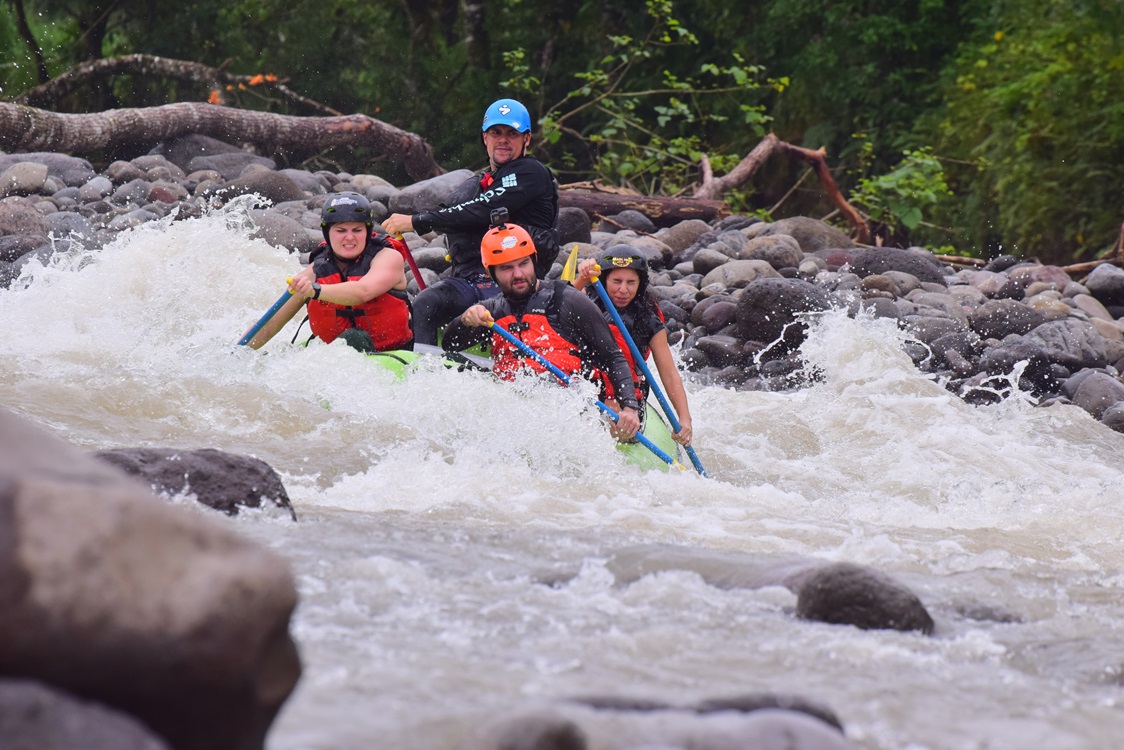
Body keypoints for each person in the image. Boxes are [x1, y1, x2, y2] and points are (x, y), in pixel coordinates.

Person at [381, 97, 561, 347]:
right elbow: (452, 211)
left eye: (512, 133)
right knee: (425, 302)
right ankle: (422, 370)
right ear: (485, 138)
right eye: (495, 132)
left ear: (527, 139)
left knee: (485, 311)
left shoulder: (531, 172)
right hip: (470, 282)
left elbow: (482, 210)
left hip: (515, 286)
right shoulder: (479, 183)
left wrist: (417, 221)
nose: (503, 140)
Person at [443, 215, 641, 440]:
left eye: (523, 264)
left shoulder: (568, 300)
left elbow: (613, 358)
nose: (518, 274)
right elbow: (451, 345)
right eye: (507, 268)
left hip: (570, 407)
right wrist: (464, 321)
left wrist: (630, 408)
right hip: (512, 408)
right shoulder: (491, 311)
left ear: (534, 260)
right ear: (491, 274)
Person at [246, 192, 413, 353]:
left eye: (357, 230)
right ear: (327, 233)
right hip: (335, 359)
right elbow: (269, 325)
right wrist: (237, 352)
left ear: (368, 232)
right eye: (341, 231)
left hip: (393, 353)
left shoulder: (389, 258)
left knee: (355, 337)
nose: (349, 238)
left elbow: (363, 291)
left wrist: (316, 291)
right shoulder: (316, 270)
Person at [572, 248, 694, 446]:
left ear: (641, 284)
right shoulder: (586, 299)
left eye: (631, 283)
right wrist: (582, 278)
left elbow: (669, 373)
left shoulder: (648, 320)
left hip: (623, 395)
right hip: (583, 385)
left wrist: (684, 418)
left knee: (612, 414)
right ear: (604, 280)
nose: (623, 290)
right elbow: (555, 310)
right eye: (616, 281)